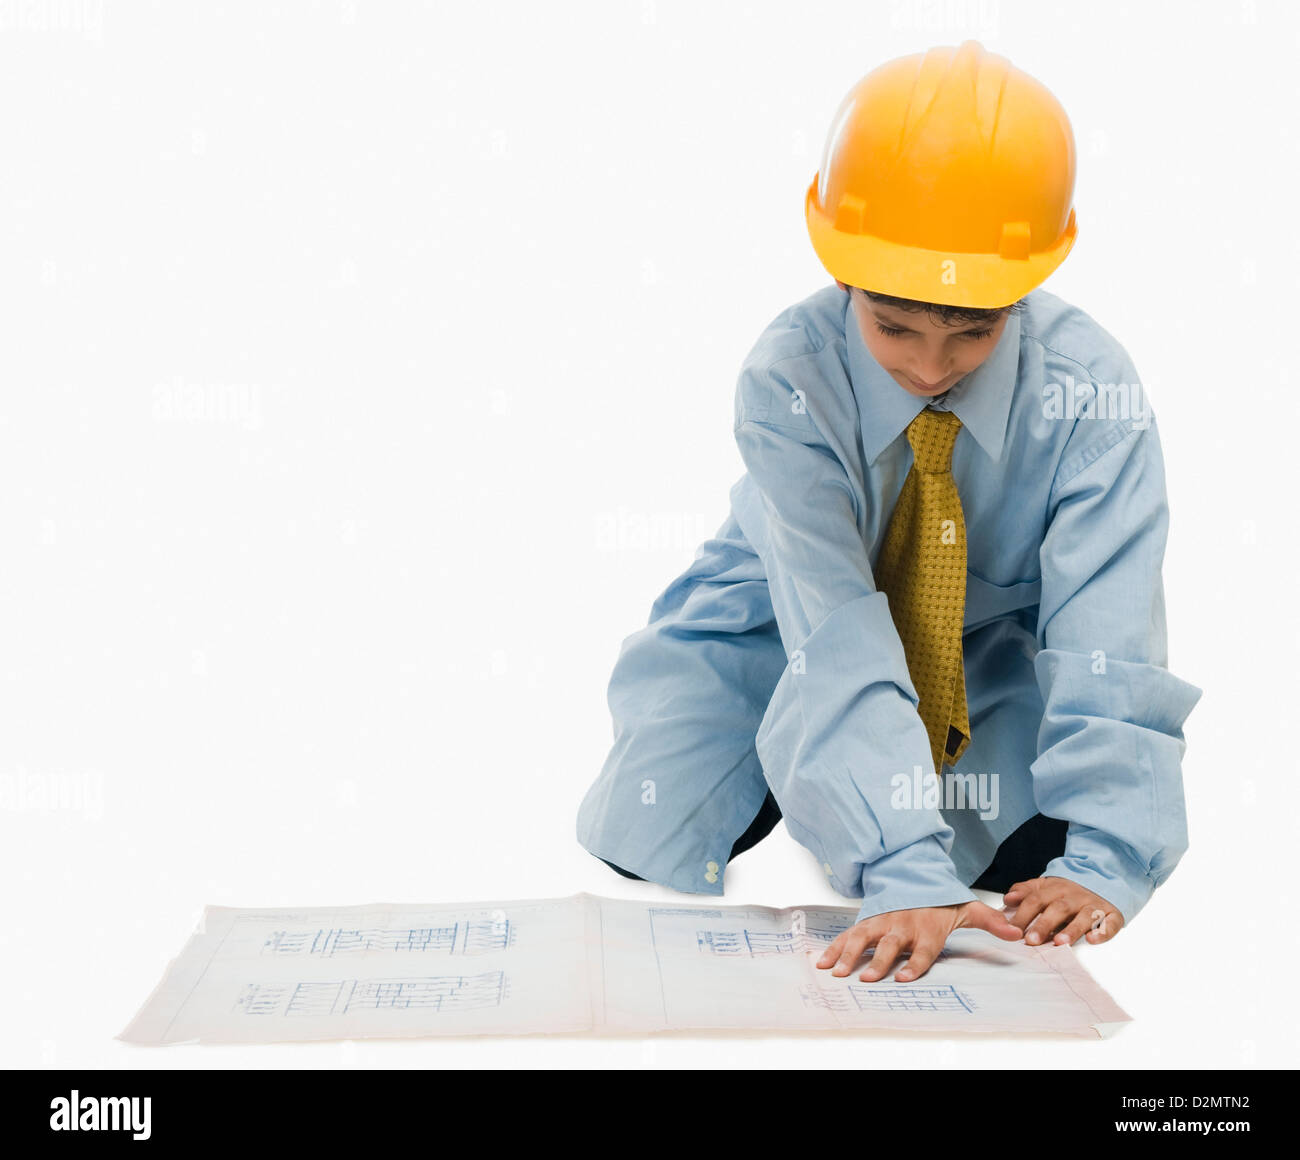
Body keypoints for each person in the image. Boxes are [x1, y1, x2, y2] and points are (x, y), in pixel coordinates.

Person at [575, 40, 1201, 984]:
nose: (929, 366)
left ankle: (876, 788)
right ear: (843, 276)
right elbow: (831, 630)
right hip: (783, 609)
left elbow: (1110, 634)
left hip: (983, 638)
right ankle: (805, 776)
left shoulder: (1092, 392)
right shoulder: (789, 376)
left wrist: (1110, 853)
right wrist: (899, 863)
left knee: (1011, 863)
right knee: (646, 836)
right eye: (894, 326)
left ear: (1024, 290)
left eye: (974, 330)